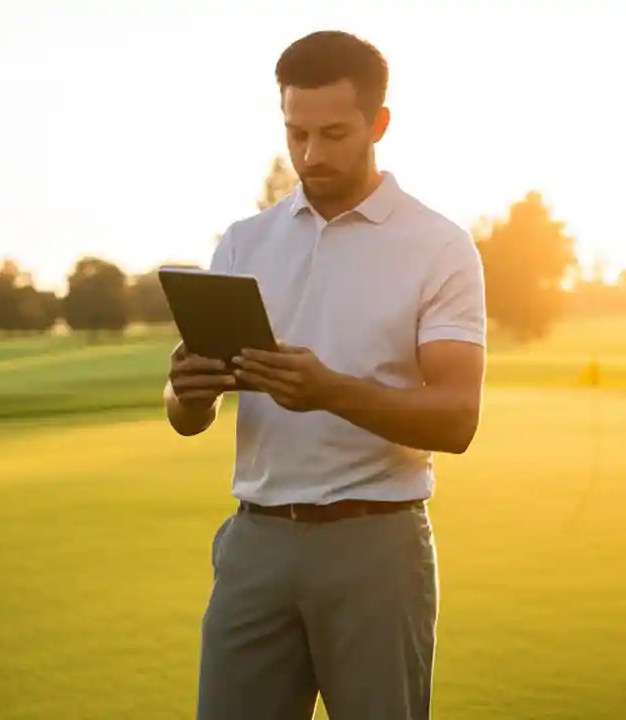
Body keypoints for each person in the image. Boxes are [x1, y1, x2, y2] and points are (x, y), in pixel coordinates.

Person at [163, 30, 487, 720]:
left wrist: (329, 392)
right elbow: (189, 417)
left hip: (377, 547)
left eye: (334, 133)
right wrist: (184, 395)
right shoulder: (243, 242)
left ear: (379, 124)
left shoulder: (438, 247)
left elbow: (457, 419)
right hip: (255, 545)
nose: (312, 155)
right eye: (296, 133)